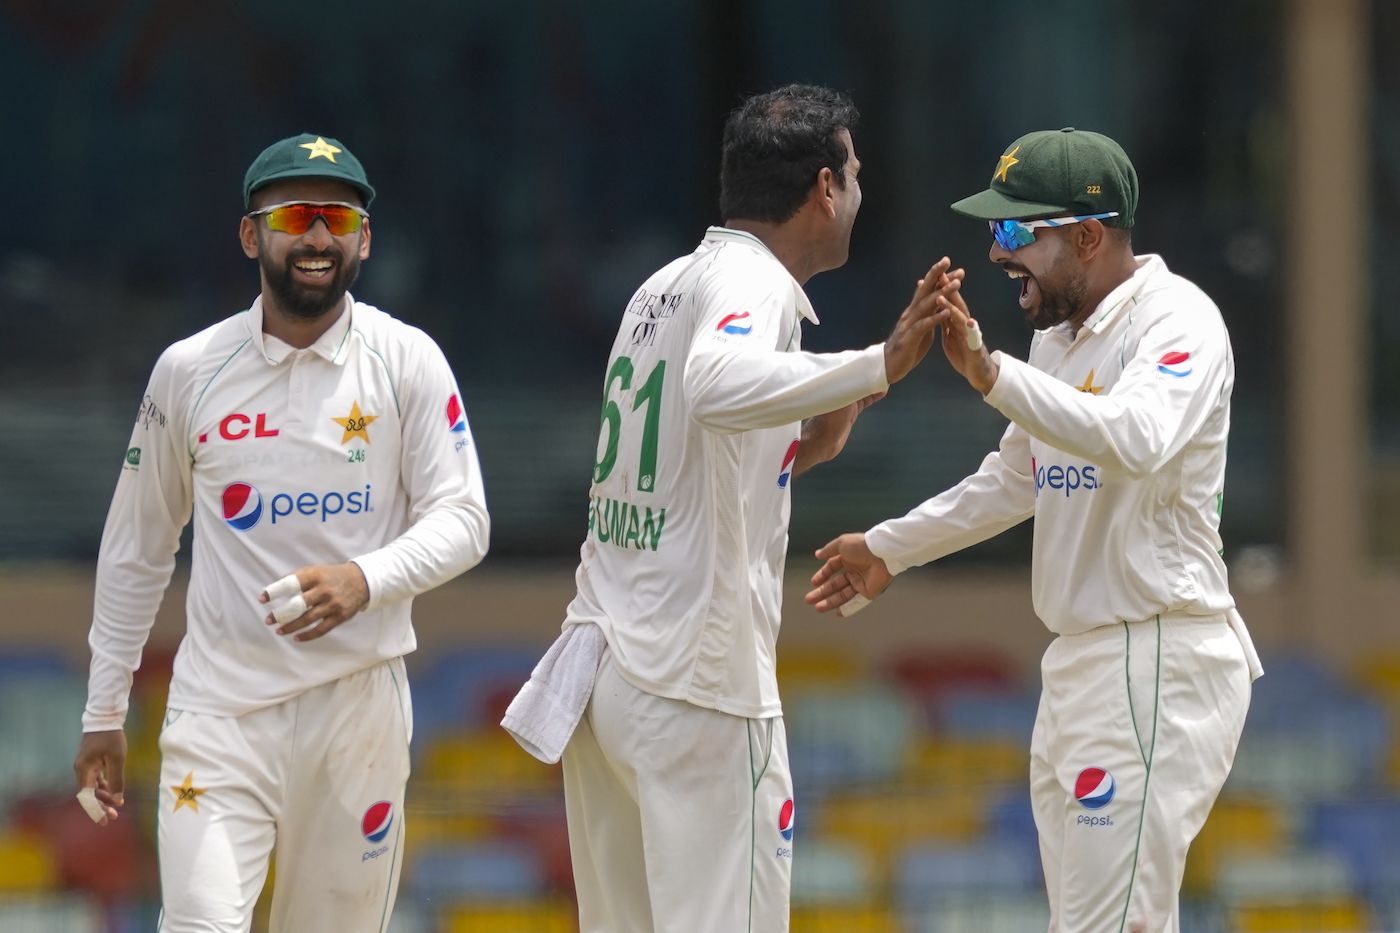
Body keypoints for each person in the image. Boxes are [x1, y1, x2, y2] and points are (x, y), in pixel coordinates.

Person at [503, 85, 955, 933]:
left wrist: (811, 441)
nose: (859, 194)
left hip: (611, 674)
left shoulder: (662, 286)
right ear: (825, 187)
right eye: (855, 174)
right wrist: (878, 363)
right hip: (696, 686)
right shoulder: (758, 285)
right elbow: (716, 383)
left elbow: (694, 454)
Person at [805, 127, 1264, 933]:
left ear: (1088, 236)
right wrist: (890, 547)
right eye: (994, 232)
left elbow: (1137, 437)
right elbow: (1015, 477)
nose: (997, 253)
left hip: (1155, 654)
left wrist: (991, 374)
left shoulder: (1178, 321)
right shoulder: (1058, 339)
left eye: (1019, 233)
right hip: (1083, 661)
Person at [72, 132, 490, 933]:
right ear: (251, 234)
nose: (318, 237)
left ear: (365, 239)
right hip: (220, 713)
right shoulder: (189, 370)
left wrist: (364, 579)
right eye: (295, 215)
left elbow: (466, 519)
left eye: (338, 218)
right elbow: (137, 545)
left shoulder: (408, 361)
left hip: (357, 713)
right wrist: (103, 709)